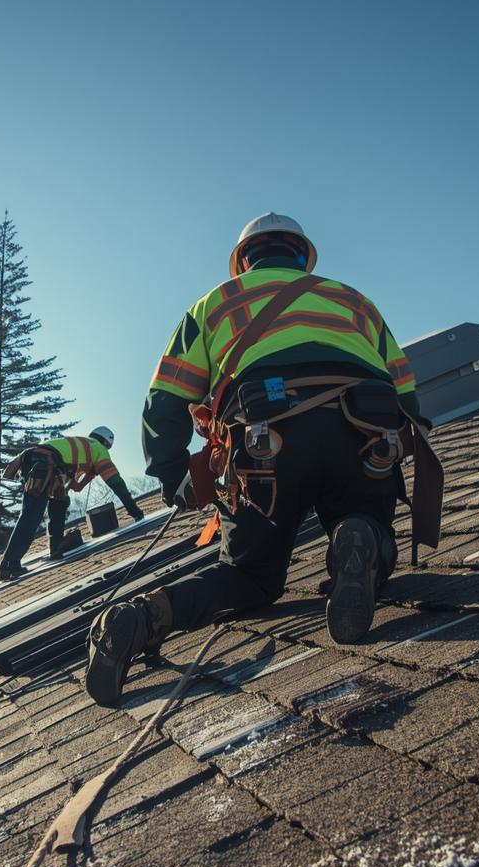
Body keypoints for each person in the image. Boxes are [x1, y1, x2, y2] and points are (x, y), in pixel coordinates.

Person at [86, 212, 430, 705]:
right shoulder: (353, 299)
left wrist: (172, 474)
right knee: (367, 520)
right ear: (301, 255)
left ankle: (144, 617)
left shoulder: (216, 304)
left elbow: (164, 398)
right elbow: (407, 393)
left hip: (266, 449)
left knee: (248, 576)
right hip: (363, 434)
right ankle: (359, 536)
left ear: (243, 261)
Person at [0, 427, 146, 581]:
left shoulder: (79, 446)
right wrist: (135, 511)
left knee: (60, 501)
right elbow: (116, 483)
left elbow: (76, 485)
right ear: (106, 443)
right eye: (108, 447)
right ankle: (9, 565)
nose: (107, 450)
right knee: (32, 515)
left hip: (36, 460)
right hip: (45, 462)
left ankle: (55, 546)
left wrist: (83, 480)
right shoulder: (98, 448)